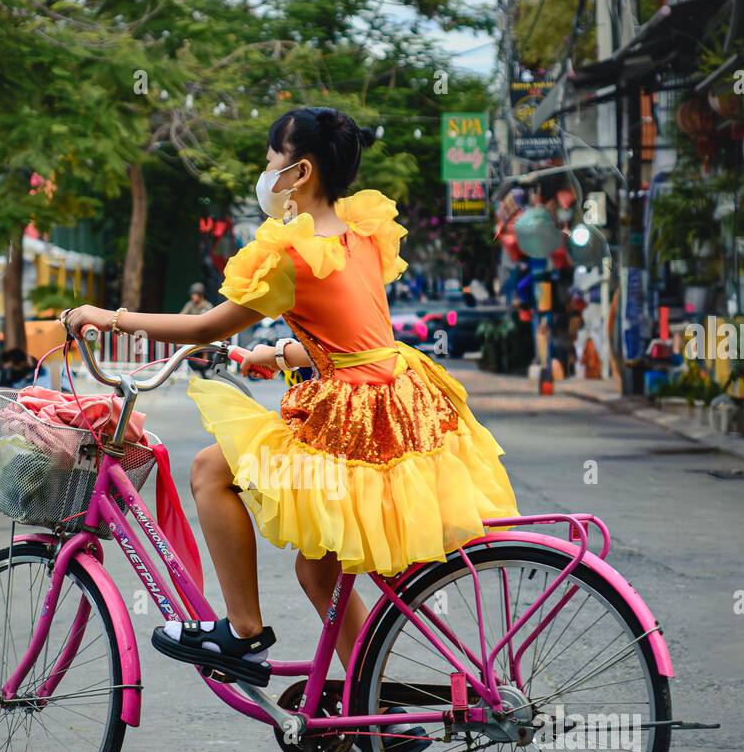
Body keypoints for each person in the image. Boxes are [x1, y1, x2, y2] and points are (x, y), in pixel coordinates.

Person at [59, 105, 518, 689]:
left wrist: (110, 316)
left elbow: (205, 329)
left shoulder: (292, 252)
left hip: (354, 413)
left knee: (209, 470)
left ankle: (243, 633)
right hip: (399, 397)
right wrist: (277, 355)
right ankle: (372, 720)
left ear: (299, 172)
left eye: (271, 156)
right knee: (319, 569)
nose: (265, 168)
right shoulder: (359, 234)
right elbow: (358, 340)